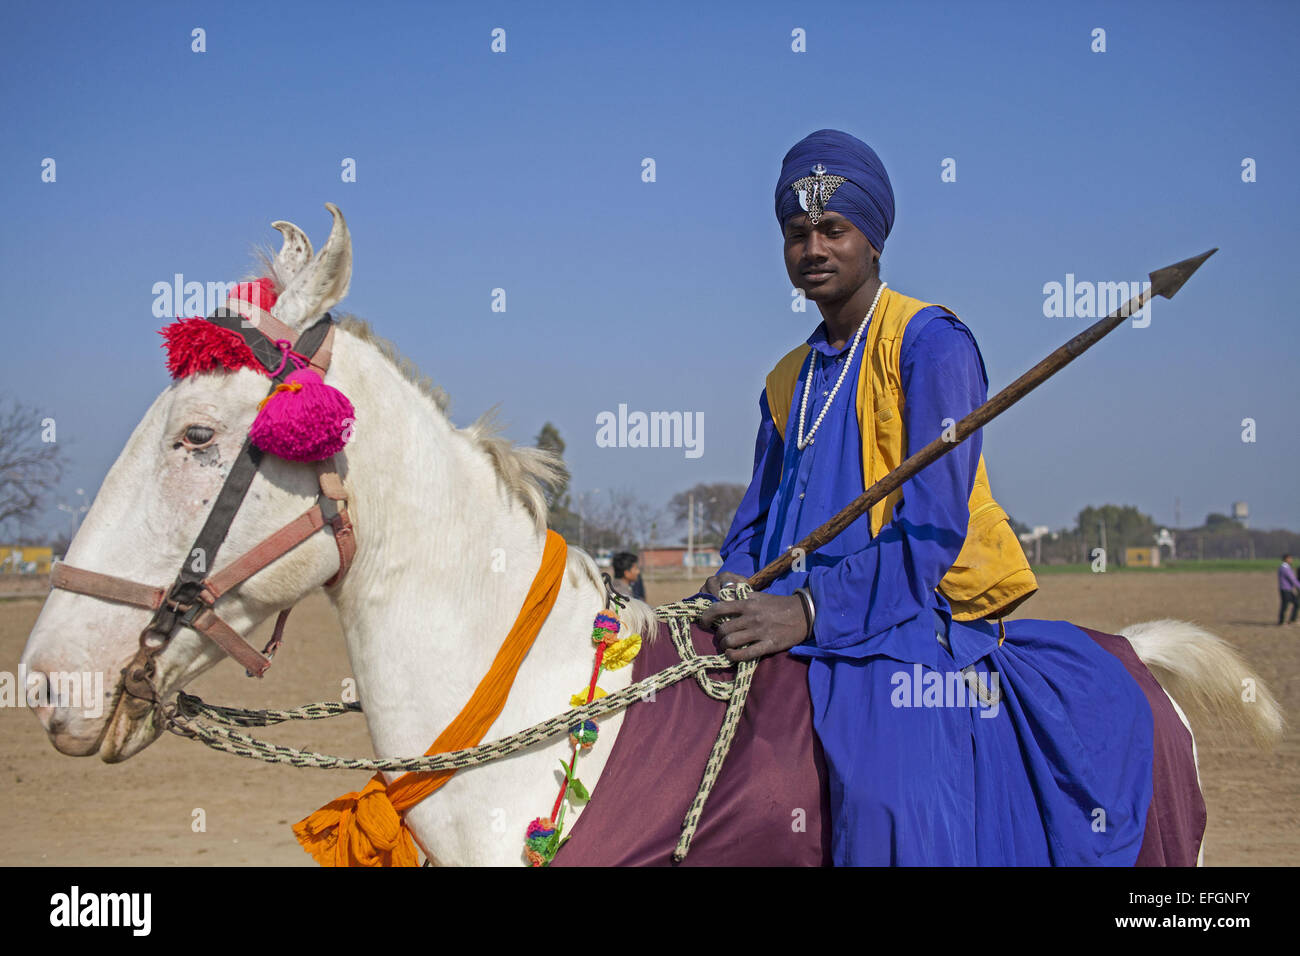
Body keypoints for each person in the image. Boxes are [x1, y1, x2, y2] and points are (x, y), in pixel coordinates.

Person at [698, 129, 1156, 865]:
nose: (813, 248)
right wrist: (732, 577)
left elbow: (933, 526)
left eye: (833, 229)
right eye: (797, 233)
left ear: (873, 240)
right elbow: (753, 522)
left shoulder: (931, 342)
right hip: (777, 610)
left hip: (898, 621)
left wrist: (811, 609)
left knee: (886, 802)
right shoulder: (786, 377)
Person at [1278, 554, 1299, 625]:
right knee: (1285, 605)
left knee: (1296, 603)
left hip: (1286, 590)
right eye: (1290, 559)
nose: (1291, 560)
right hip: (1286, 590)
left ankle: (1291, 620)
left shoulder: (1284, 567)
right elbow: (1293, 579)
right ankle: (1282, 621)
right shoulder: (1285, 569)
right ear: (1286, 559)